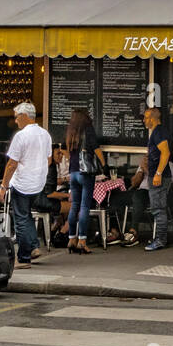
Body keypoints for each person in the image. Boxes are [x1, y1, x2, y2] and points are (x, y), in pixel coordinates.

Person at [0, 102, 52, 268]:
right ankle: (34, 246)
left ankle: (23, 258)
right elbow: (48, 160)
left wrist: (3, 187)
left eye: (16, 117)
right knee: (26, 215)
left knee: (21, 219)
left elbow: (12, 164)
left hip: (22, 183)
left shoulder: (21, 136)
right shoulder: (45, 134)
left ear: (24, 116)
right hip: (39, 183)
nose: (15, 121)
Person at [65, 108, 106, 254]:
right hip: (85, 173)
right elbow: (96, 148)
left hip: (73, 172)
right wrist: (103, 164)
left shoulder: (71, 132)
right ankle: (82, 240)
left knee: (74, 205)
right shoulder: (88, 129)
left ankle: (71, 239)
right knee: (84, 206)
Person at [143, 107, 173, 251]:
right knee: (158, 207)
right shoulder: (157, 132)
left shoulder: (158, 133)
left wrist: (158, 173)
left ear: (153, 118)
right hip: (158, 175)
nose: (144, 120)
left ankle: (161, 240)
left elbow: (165, 153)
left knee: (158, 208)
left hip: (159, 177)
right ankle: (159, 238)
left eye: (146, 117)